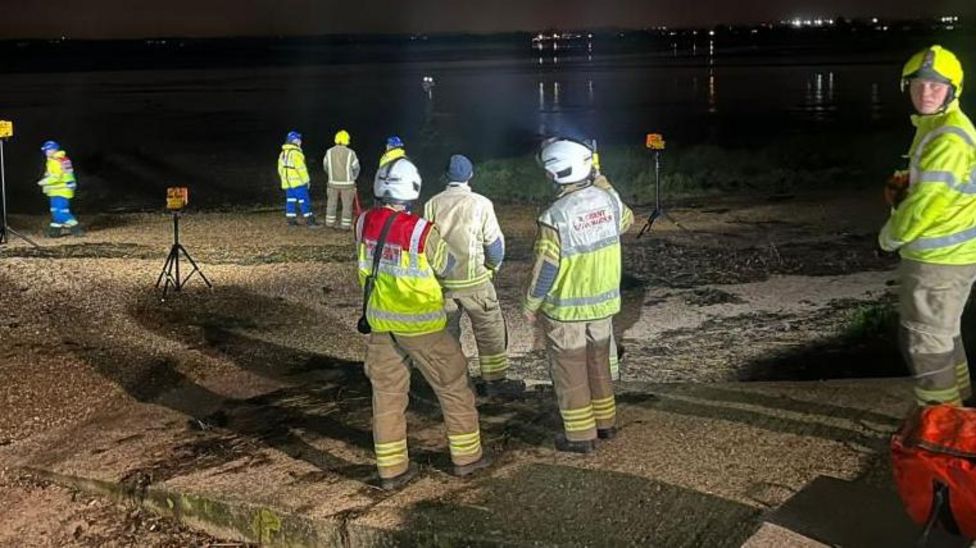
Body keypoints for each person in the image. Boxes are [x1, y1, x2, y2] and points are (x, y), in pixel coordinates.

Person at [355, 156, 490, 489]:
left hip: (380, 323)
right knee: (454, 385)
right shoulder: (419, 230)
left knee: (386, 396)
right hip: (422, 326)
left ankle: (392, 471)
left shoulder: (363, 222)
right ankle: (467, 458)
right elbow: (446, 264)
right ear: (412, 189)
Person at [879, 45, 976, 407]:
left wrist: (888, 237)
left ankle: (940, 429)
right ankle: (962, 412)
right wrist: (908, 179)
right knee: (945, 336)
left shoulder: (947, 136)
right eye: (918, 84)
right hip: (952, 256)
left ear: (953, 90)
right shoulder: (937, 126)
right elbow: (941, 186)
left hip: (939, 257)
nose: (925, 92)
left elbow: (925, 208)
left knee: (925, 345)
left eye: (936, 86)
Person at [523, 138, 633, 453]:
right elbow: (627, 221)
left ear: (553, 173)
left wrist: (531, 305)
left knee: (570, 371)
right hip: (603, 304)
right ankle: (606, 424)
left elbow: (545, 270)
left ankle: (580, 436)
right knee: (599, 363)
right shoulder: (608, 200)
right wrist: (602, 180)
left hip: (566, 311)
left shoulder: (554, 217)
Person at [423, 154, 521, 395]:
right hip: (477, 283)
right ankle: (495, 382)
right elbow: (494, 244)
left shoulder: (432, 204)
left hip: (443, 285)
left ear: (446, 176)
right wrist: (492, 267)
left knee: (446, 336)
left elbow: (425, 242)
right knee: (490, 332)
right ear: (470, 175)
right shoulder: (481, 203)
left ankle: (452, 382)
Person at [37, 140, 82, 237]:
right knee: (57, 210)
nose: (46, 152)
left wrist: (44, 182)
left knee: (59, 212)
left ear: (54, 150)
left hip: (60, 190)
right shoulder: (61, 159)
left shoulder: (55, 161)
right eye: (45, 150)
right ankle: (55, 231)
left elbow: (57, 176)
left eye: (48, 150)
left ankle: (76, 228)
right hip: (60, 190)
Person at [277, 130, 318, 227]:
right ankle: (310, 221)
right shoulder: (296, 153)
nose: (300, 142)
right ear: (294, 141)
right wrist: (307, 181)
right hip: (298, 183)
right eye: (298, 140)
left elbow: (280, 169)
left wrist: (284, 179)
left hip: (288, 183)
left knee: (290, 201)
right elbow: (301, 169)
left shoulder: (283, 153)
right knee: (304, 201)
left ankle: (291, 221)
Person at [323, 129, 361, 230]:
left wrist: (331, 176)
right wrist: (353, 178)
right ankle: (345, 225)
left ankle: (329, 223)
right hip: (348, 185)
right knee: (347, 206)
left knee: (331, 204)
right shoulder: (351, 153)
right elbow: (356, 168)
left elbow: (325, 167)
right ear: (347, 140)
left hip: (332, 184)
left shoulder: (329, 152)